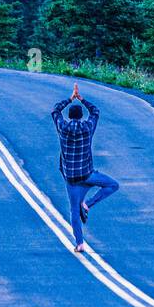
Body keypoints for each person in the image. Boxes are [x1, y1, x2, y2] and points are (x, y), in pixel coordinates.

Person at [51, 82, 119, 252]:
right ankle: (88, 204)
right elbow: (95, 111)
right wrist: (81, 99)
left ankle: (80, 243)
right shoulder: (88, 127)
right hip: (88, 174)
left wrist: (69, 98)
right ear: (81, 116)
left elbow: (55, 111)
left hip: (72, 179)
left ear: (69, 116)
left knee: (74, 211)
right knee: (112, 185)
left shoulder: (63, 128)